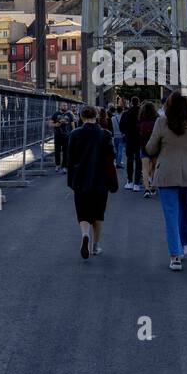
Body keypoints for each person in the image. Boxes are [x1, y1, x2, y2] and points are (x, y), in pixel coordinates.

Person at [144, 91, 187, 271]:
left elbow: (150, 147)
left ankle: (175, 256)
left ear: (168, 107)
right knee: (184, 211)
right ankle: (184, 242)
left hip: (166, 175)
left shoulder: (161, 123)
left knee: (171, 214)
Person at [66, 104, 119, 259]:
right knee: (98, 214)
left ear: (81, 117)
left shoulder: (74, 134)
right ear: (97, 116)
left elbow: (70, 159)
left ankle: (84, 235)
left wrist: (71, 181)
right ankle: (95, 246)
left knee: (82, 213)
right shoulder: (105, 134)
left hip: (80, 179)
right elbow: (111, 157)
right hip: (100, 180)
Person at [137, 101, 160, 198]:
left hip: (144, 146)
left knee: (145, 169)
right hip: (155, 147)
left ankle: (146, 189)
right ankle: (154, 186)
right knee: (155, 167)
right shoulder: (157, 121)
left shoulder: (140, 121)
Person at [120, 97, 142, 190]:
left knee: (129, 160)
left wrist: (125, 132)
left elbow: (121, 126)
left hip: (129, 139)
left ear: (131, 103)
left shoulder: (126, 114)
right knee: (138, 161)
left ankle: (129, 181)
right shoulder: (142, 113)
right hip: (140, 139)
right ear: (139, 102)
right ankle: (137, 184)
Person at [49, 101, 75, 171]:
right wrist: (56, 124)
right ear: (60, 106)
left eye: (66, 105)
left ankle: (64, 166)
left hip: (67, 136)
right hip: (57, 135)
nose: (65, 107)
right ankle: (57, 165)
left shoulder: (69, 114)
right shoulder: (56, 114)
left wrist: (73, 133)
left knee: (66, 151)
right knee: (57, 151)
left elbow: (72, 125)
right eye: (63, 105)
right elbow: (50, 124)